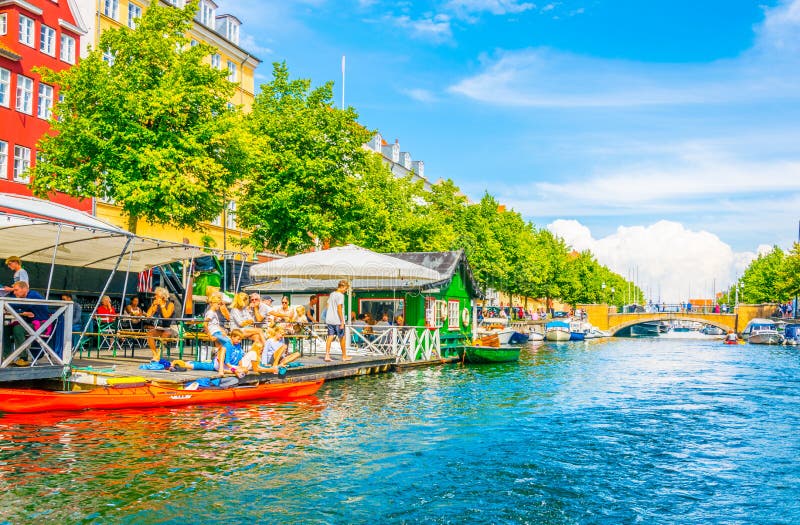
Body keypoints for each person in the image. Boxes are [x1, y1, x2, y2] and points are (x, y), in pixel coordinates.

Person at [3, 281, 49, 363]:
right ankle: (8, 357)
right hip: (29, 323)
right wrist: (22, 311)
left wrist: (6, 305)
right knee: (4, 329)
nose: (14, 292)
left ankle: (23, 358)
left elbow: (18, 306)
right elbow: (19, 307)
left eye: (16, 290)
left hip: (41, 325)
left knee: (18, 329)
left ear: (24, 289)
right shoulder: (24, 297)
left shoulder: (33, 295)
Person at [145, 286, 177, 362]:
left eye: (156, 295)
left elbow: (166, 316)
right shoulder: (156, 304)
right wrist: (153, 305)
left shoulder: (170, 304)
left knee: (165, 335)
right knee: (149, 334)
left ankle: (158, 356)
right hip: (161, 327)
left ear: (162, 297)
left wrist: (162, 306)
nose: (155, 296)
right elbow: (148, 315)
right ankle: (155, 354)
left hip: (171, 328)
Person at [324, 279, 349, 362]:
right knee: (342, 338)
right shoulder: (341, 295)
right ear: (342, 287)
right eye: (346, 289)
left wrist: (330, 314)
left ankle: (327, 355)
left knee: (330, 337)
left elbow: (327, 305)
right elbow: (339, 309)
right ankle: (344, 356)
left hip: (330, 319)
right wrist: (342, 321)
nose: (345, 291)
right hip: (338, 320)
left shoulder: (332, 294)